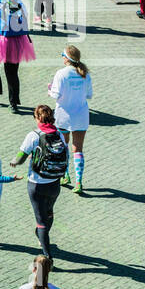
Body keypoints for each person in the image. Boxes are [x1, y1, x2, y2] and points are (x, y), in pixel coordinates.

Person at [10, 104, 69, 258]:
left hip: (36, 184)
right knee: (48, 213)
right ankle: (42, 236)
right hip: (55, 183)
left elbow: (21, 157)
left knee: (40, 221)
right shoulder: (59, 134)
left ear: (37, 118)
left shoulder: (34, 135)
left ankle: (47, 255)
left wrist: (14, 162)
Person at [48, 44, 93, 194]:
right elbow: (89, 95)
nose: (61, 57)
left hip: (63, 115)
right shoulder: (85, 74)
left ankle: (65, 175)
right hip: (81, 115)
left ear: (67, 59)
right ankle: (79, 182)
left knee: (63, 146)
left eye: (63, 54)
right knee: (78, 149)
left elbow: (55, 94)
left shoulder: (61, 74)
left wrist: (49, 90)